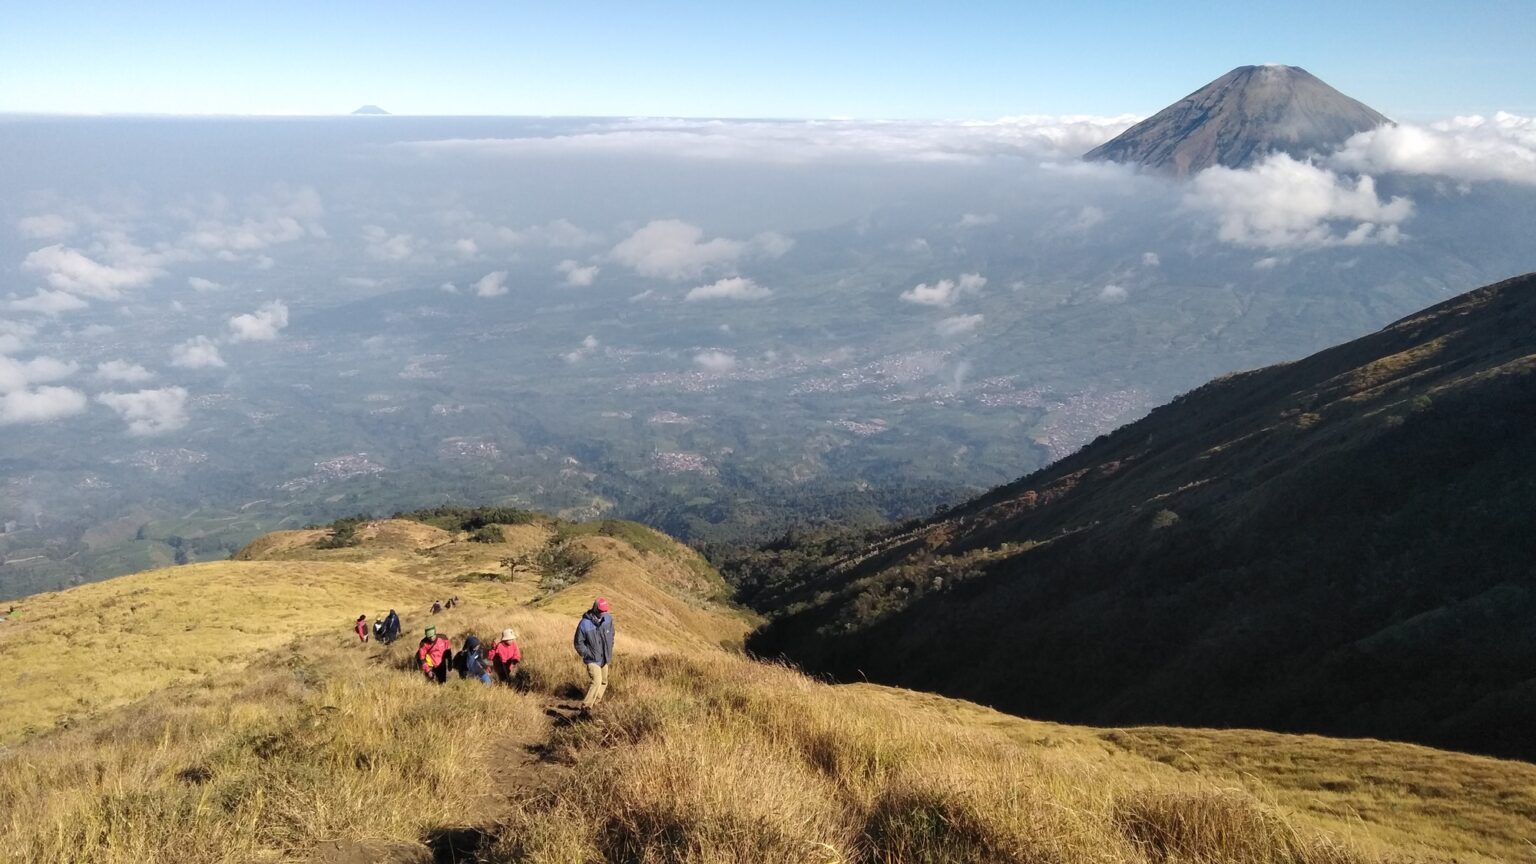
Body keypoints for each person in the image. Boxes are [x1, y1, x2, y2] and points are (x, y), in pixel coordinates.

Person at [573, 598, 614, 712]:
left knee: (604, 681)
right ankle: (586, 707)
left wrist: (610, 648)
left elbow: (612, 634)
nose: (603, 613)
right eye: (601, 610)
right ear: (595, 608)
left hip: (604, 657)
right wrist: (588, 654)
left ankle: (595, 704)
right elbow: (578, 643)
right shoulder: (584, 624)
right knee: (597, 681)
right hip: (592, 659)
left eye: (605, 610)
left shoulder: (608, 619)